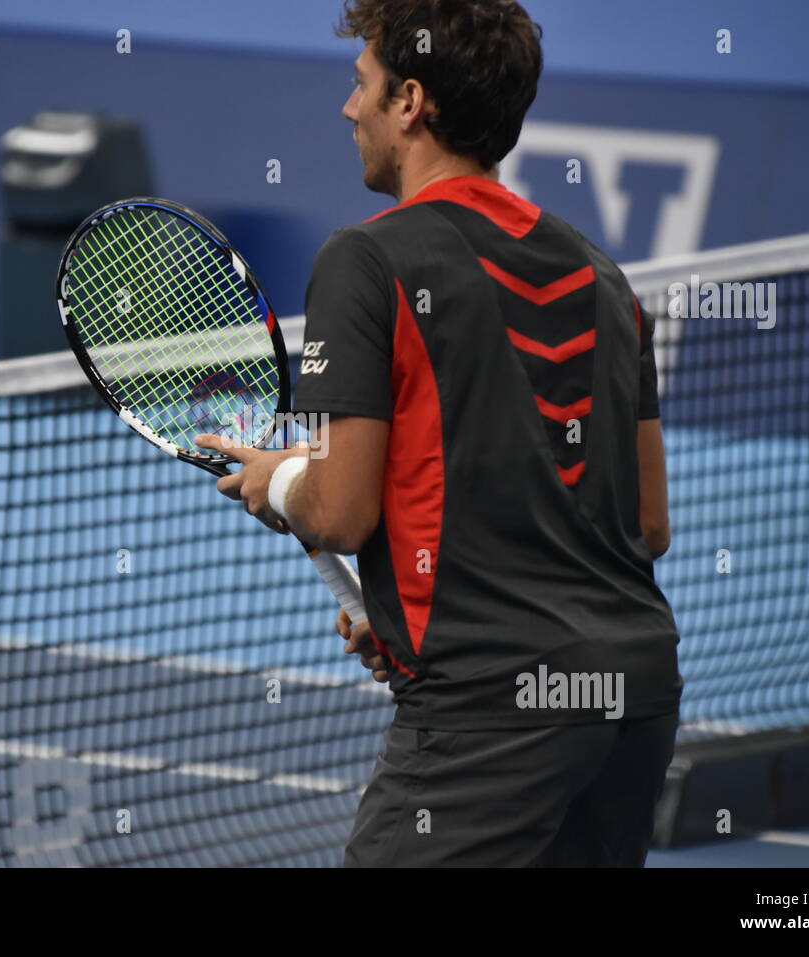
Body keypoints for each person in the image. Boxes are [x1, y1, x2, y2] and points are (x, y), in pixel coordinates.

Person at [195, 0, 682, 867]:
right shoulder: (606, 279)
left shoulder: (368, 259)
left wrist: (276, 480)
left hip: (492, 720)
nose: (349, 110)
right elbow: (645, 524)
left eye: (363, 86)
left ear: (410, 100)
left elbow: (340, 512)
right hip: (632, 700)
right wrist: (411, 609)